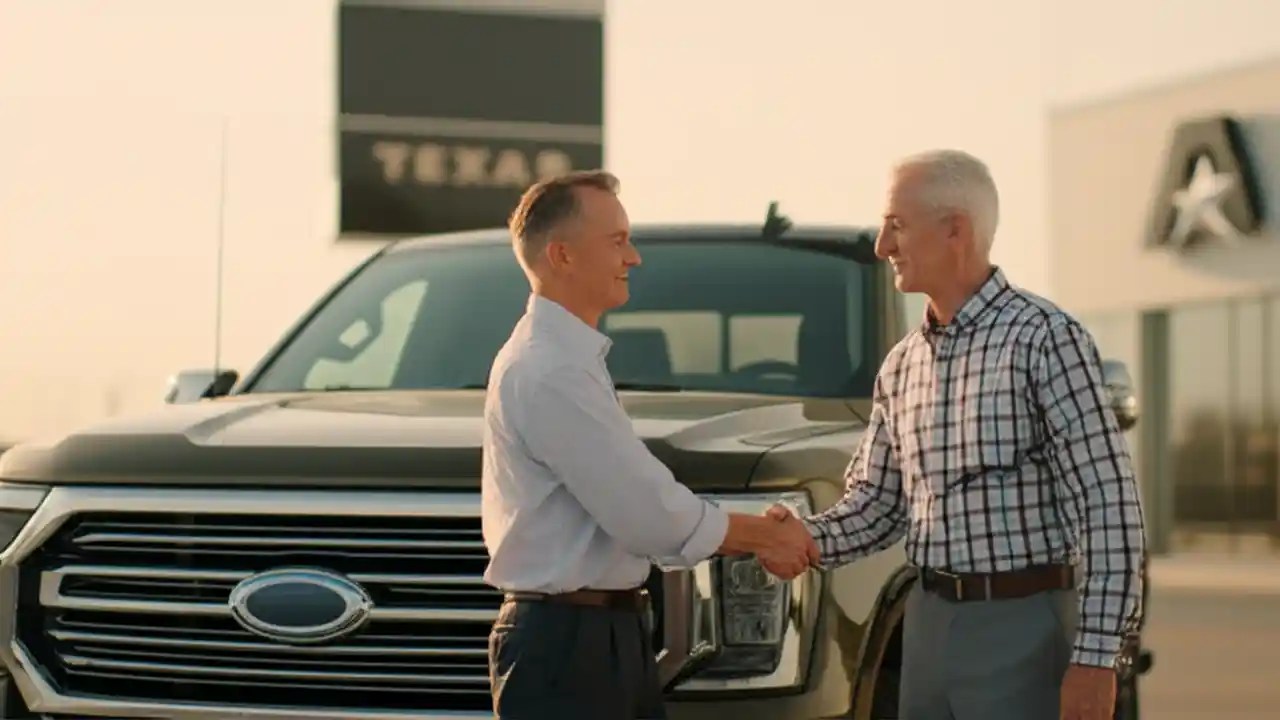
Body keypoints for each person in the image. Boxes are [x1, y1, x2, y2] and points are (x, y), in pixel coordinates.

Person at [764, 149, 1146, 720]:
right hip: (925, 625)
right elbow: (877, 507)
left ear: (955, 230)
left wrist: (1096, 659)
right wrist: (804, 538)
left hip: (1024, 625)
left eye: (897, 225)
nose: (882, 246)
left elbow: (1108, 506)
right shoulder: (900, 366)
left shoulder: (1045, 340)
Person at [481, 169, 819, 720]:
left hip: (594, 639)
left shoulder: (564, 361)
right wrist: (763, 535)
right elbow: (645, 511)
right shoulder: (549, 370)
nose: (633, 257)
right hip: (571, 649)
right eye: (617, 241)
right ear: (562, 255)